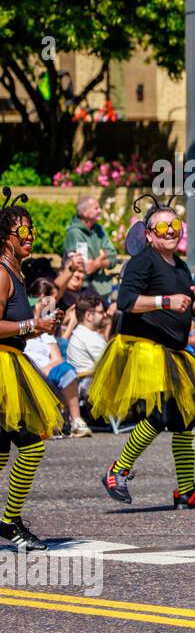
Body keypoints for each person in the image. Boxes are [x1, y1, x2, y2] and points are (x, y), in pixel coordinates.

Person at [90, 201, 195, 508]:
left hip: (174, 353)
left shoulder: (180, 266)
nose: (171, 232)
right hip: (145, 350)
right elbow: (124, 300)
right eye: (163, 227)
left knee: (186, 419)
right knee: (158, 415)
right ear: (149, 234)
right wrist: (165, 301)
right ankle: (117, 471)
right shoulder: (143, 262)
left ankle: (187, 491)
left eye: (176, 227)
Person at [0, 193, 65, 551]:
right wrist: (31, 325)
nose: (29, 235)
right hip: (3, 366)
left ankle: (8, 521)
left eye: (30, 229)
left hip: (13, 364)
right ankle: (9, 522)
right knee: (30, 445)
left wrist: (38, 327)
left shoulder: (15, 273)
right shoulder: (1, 272)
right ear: (5, 235)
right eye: (21, 229)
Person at [23, 278, 90, 438]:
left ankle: (76, 421)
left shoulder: (46, 329)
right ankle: (71, 420)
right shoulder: (23, 321)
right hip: (26, 370)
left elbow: (57, 358)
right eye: (52, 299)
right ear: (42, 298)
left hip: (49, 372)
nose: (55, 303)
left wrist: (48, 368)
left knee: (66, 370)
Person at [63, 194, 118, 301]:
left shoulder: (99, 229)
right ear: (85, 212)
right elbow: (85, 267)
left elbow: (113, 257)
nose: (100, 211)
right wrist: (102, 257)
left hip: (104, 288)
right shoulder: (74, 233)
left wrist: (98, 263)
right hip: (83, 290)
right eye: (96, 208)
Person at [66, 292, 108, 399]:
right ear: (89, 316)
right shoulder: (88, 337)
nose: (105, 315)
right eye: (101, 312)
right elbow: (110, 365)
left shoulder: (81, 333)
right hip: (93, 394)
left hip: (91, 389)